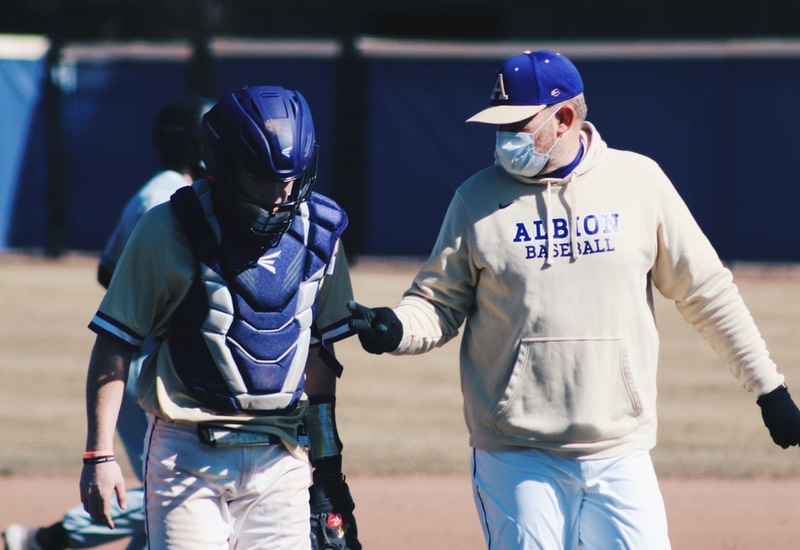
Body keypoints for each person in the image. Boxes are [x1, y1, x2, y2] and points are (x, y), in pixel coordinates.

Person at [346, 50, 800, 549]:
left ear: (564, 118)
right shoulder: (475, 199)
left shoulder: (639, 182)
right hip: (517, 454)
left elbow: (707, 293)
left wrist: (769, 390)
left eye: (517, 124)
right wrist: (395, 327)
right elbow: (437, 304)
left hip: (620, 450)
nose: (504, 139)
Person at [78, 85, 360, 549]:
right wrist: (99, 454)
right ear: (224, 165)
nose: (279, 195)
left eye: (290, 178)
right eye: (262, 178)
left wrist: (327, 468)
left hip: (282, 457)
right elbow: (115, 341)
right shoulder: (167, 226)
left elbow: (318, 357)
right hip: (186, 454)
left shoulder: (322, 232)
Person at [2, 97, 214, 550]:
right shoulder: (169, 197)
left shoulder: (154, 188)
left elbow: (108, 270)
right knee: (173, 490)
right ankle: (48, 539)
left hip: (145, 361)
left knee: (170, 493)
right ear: (194, 145)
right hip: (147, 368)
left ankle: (44, 540)